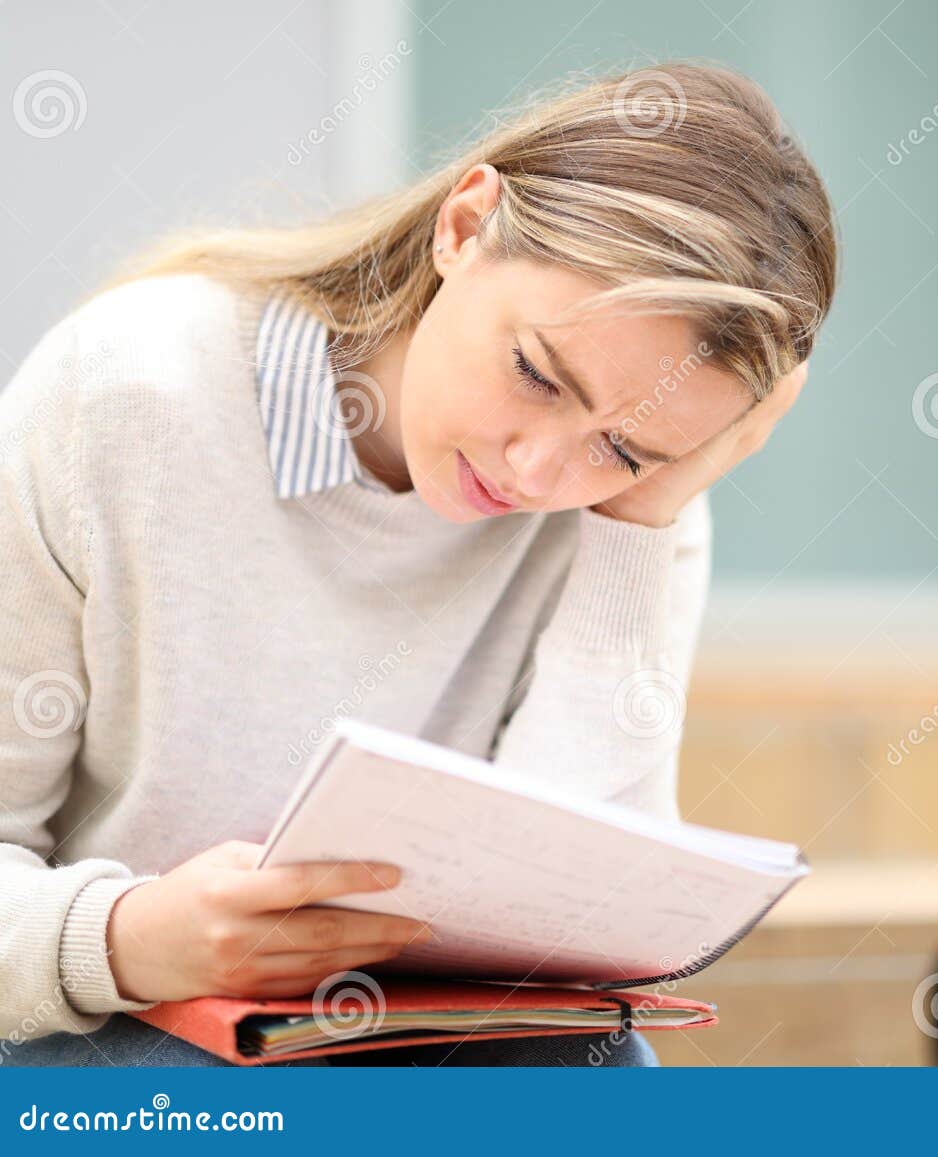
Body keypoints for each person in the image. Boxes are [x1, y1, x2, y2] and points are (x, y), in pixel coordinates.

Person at [0, 61, 837, 1067]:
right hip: (107, 1029)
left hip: (409, 1039)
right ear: (463, 224)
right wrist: (130, 940)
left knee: (593, 1066)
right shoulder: (129, 395)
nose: (536, 469)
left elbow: (577, 926)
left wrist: (640, 520)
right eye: (536, 374)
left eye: (625, 447)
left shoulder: (619, 513)